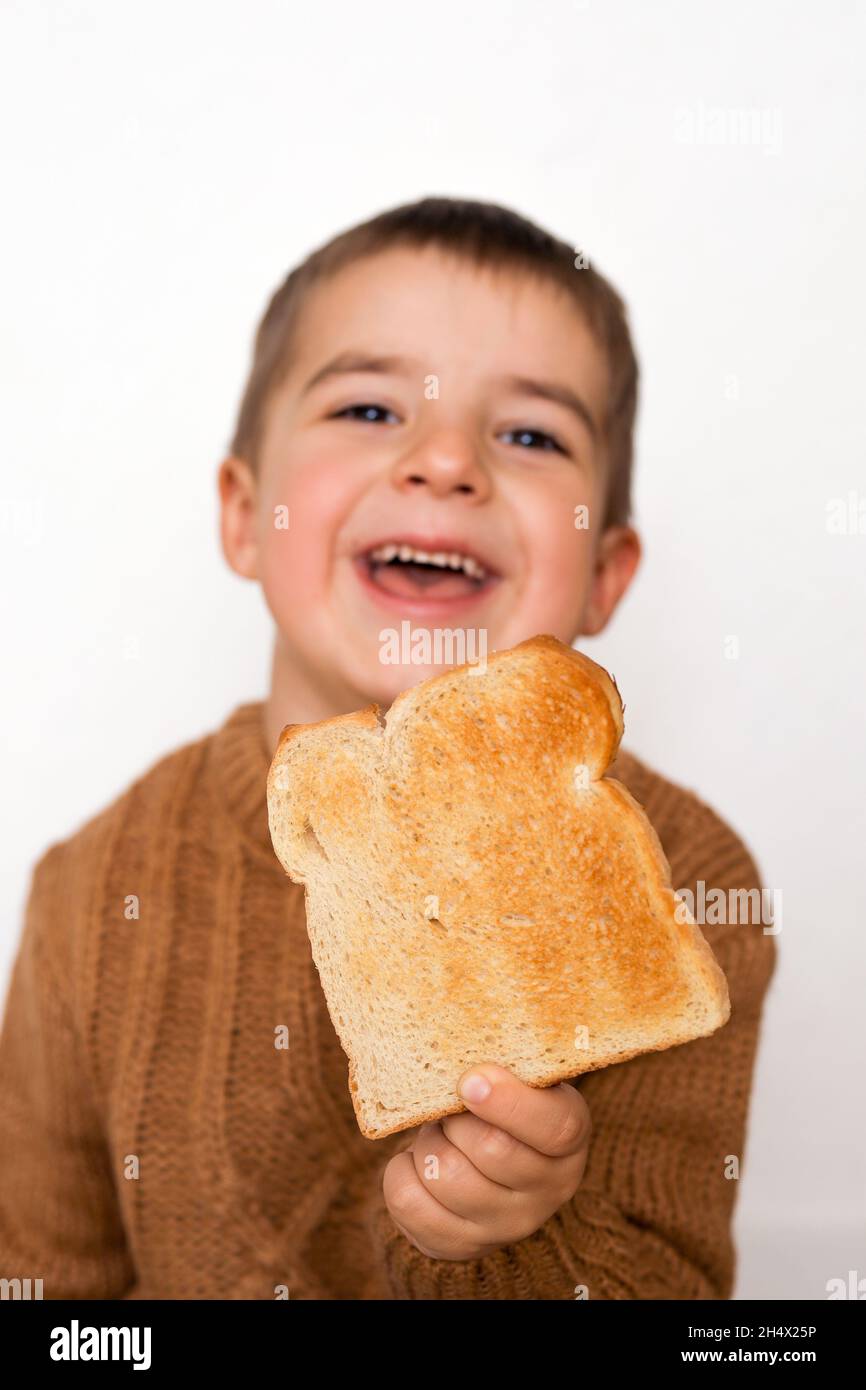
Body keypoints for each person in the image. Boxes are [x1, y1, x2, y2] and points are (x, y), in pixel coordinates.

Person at [0, 196, 776, 1299]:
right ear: (242, 511)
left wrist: (518, 1235)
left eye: (528, 435)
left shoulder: (684, 883)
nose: (444, 458)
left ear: (603, 573)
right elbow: (38, 1282)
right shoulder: (91, 887)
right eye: (368, 407)